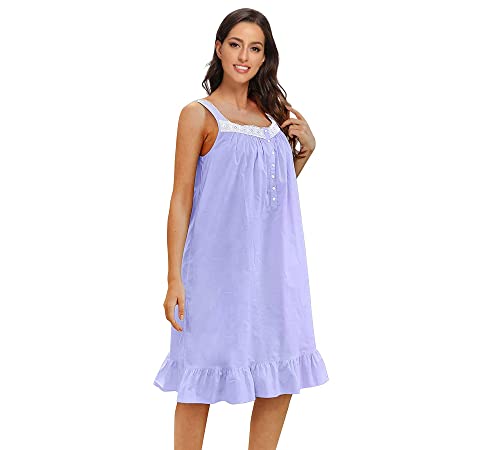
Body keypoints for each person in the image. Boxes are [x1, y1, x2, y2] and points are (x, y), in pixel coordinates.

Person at [153, 8, 329, 449]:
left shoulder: (274, 117)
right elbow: (180, 199)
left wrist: (304, 152)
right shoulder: (198, 115)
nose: (244, 56)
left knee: (280, 371)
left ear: (265, 56)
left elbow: (268, 196)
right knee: (200, 375)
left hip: (274, 267)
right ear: (219, 48)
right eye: (235, 44)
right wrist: (174, 277)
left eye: (255, 48)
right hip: (215, 269)